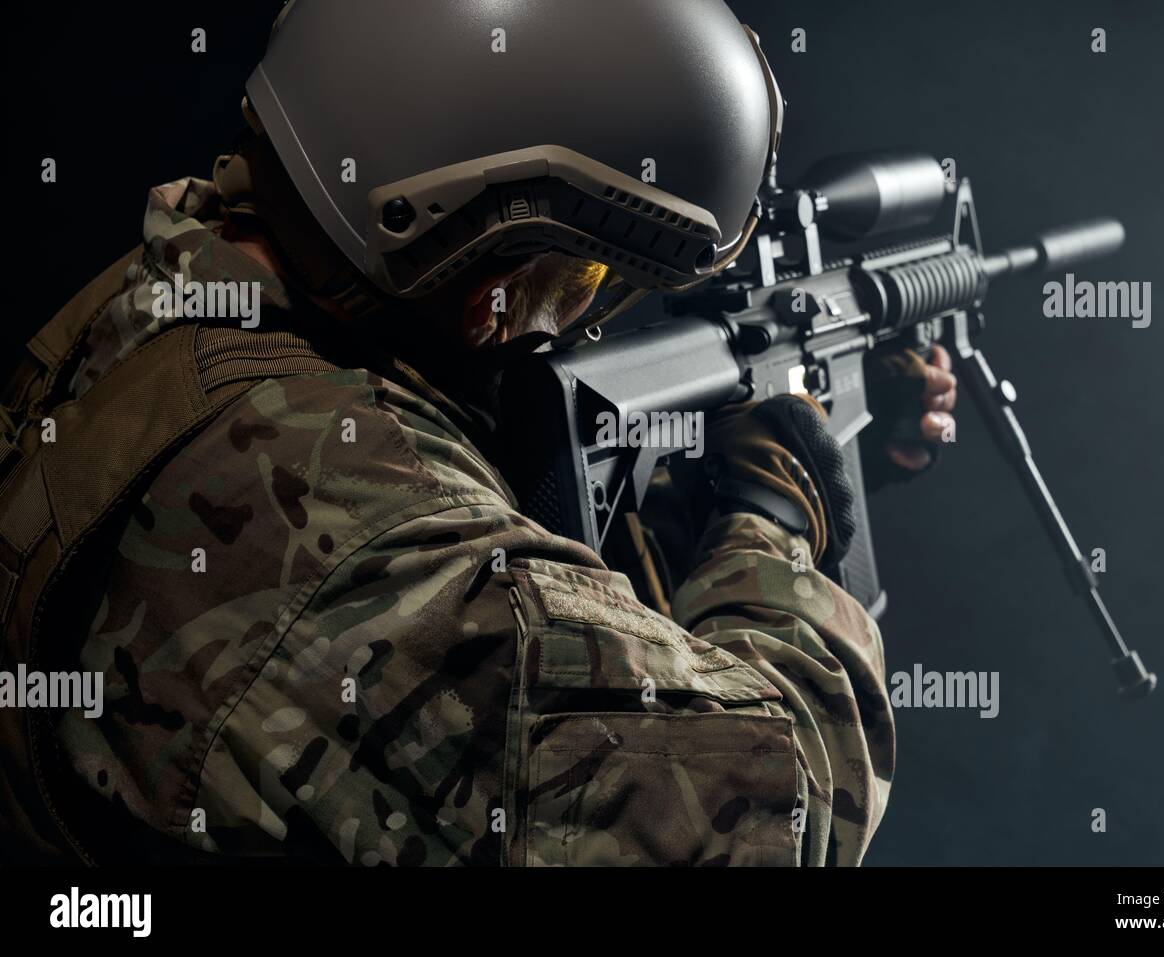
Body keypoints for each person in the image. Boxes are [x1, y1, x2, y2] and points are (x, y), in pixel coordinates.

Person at [1, 0, 955, 866]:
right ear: (481, 285)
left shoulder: (179, 287)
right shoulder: (377, 552)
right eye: (579, 283)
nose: (583, 321)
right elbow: (784, 815)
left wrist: (733, 467)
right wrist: (776, 517)